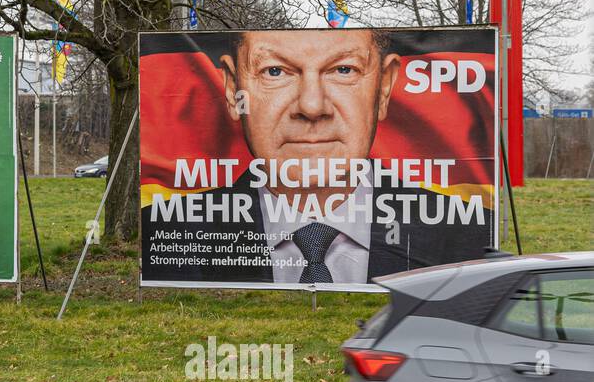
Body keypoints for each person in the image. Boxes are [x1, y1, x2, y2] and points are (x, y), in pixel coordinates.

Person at [144, 28, 493, 284]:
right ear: (234, 89)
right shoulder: (165, 233)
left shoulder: (468, 235)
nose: (312, 106)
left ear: (383, 88)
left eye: (343, 70)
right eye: (275, 72)